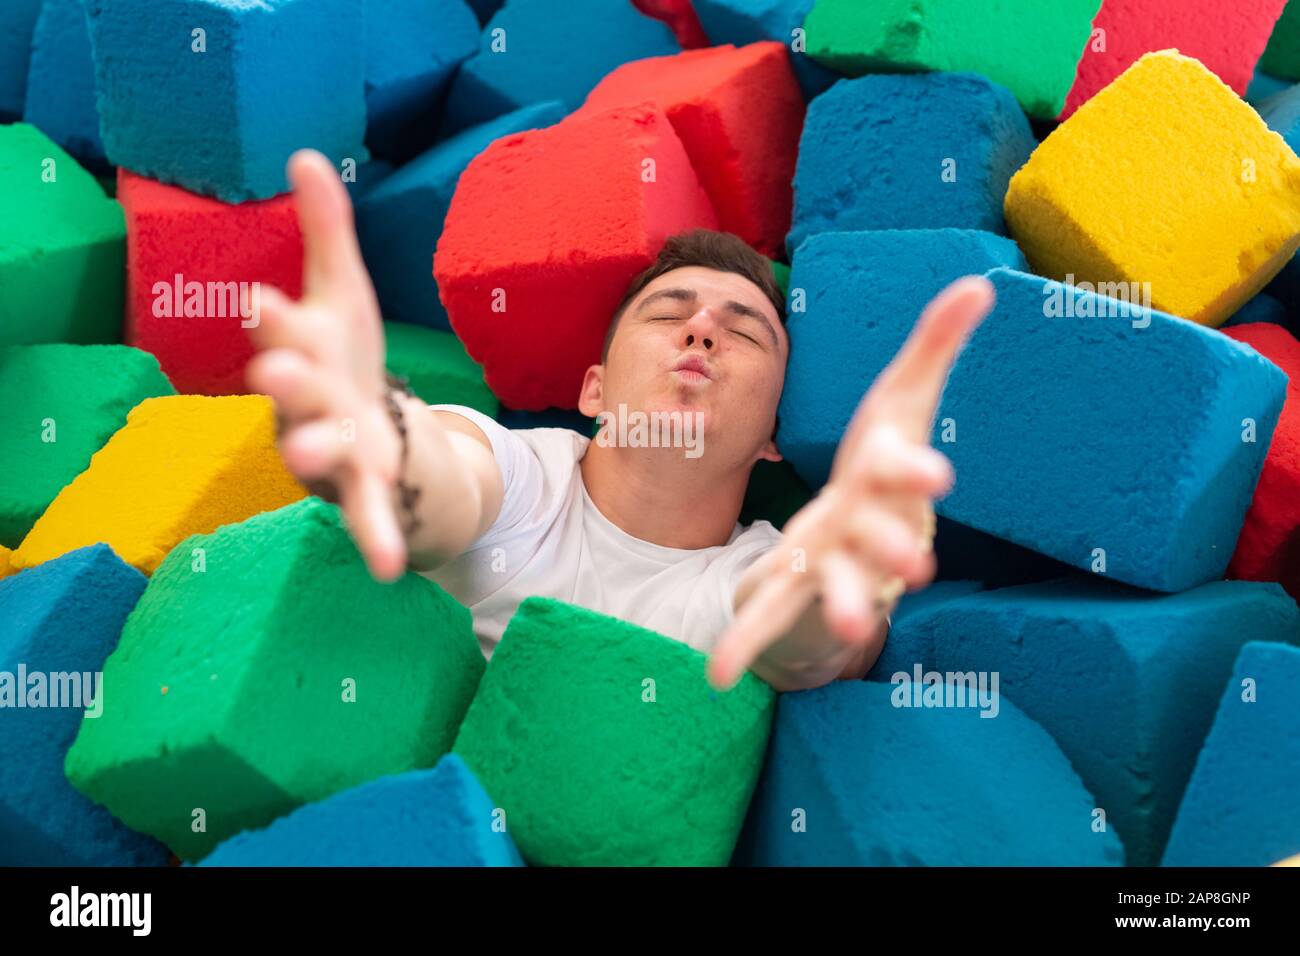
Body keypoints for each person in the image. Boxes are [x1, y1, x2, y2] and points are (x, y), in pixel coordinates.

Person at [246, 150, 996, 693]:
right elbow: (446, 484)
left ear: (772, 434)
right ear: (595, 391)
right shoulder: (522, 476)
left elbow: (797, 633)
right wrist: (382, 441)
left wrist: (846, 572)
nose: (702, 329)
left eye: (744, 331)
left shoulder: (750, 570)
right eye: (668, 313)